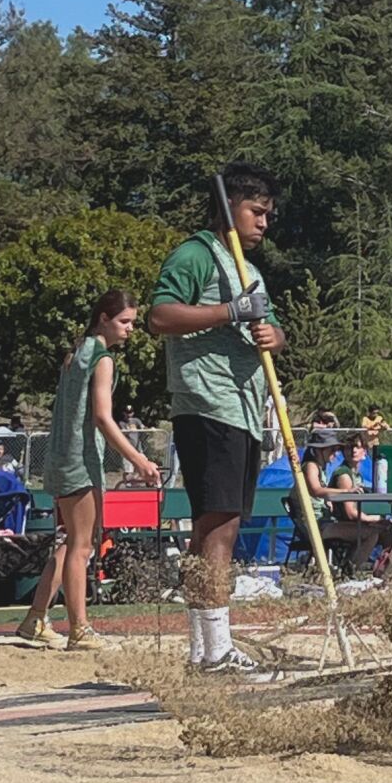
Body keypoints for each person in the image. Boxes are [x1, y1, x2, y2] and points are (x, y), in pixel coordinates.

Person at [149, 162, 286, 675]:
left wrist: (273, 335)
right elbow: (161, 316)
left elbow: (269, 327)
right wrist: (229, 312)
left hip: (247, 408)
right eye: (258, 212)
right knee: (219, 524)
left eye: (268, 215)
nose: (265, 224)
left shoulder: (251, 272)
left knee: (220, 524)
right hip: (208, 402)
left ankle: (206, 648)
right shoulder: (196, 254)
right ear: (231, 207)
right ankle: (214, 649)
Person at [15, 291, 161, 649]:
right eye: (124, 321)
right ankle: (79, 628)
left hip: (62, 457)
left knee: (70, 545)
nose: (130, 329)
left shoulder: (75, 353)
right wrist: (139, 460)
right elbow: (102, 417)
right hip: (81, 460)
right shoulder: (102, 359)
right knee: (82, 547)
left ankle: (35, 617)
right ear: (103, 318)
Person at [294, 428, 392, 569]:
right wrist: (346, 491)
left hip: (322, 521)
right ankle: (349, 572)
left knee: (383, 531)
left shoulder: (321, 469)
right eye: (332, 449)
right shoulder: (311, 466)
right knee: (371, 534)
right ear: (319, 450)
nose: (335, 453)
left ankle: (386, 568)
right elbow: (315, 490)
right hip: (314, 524)